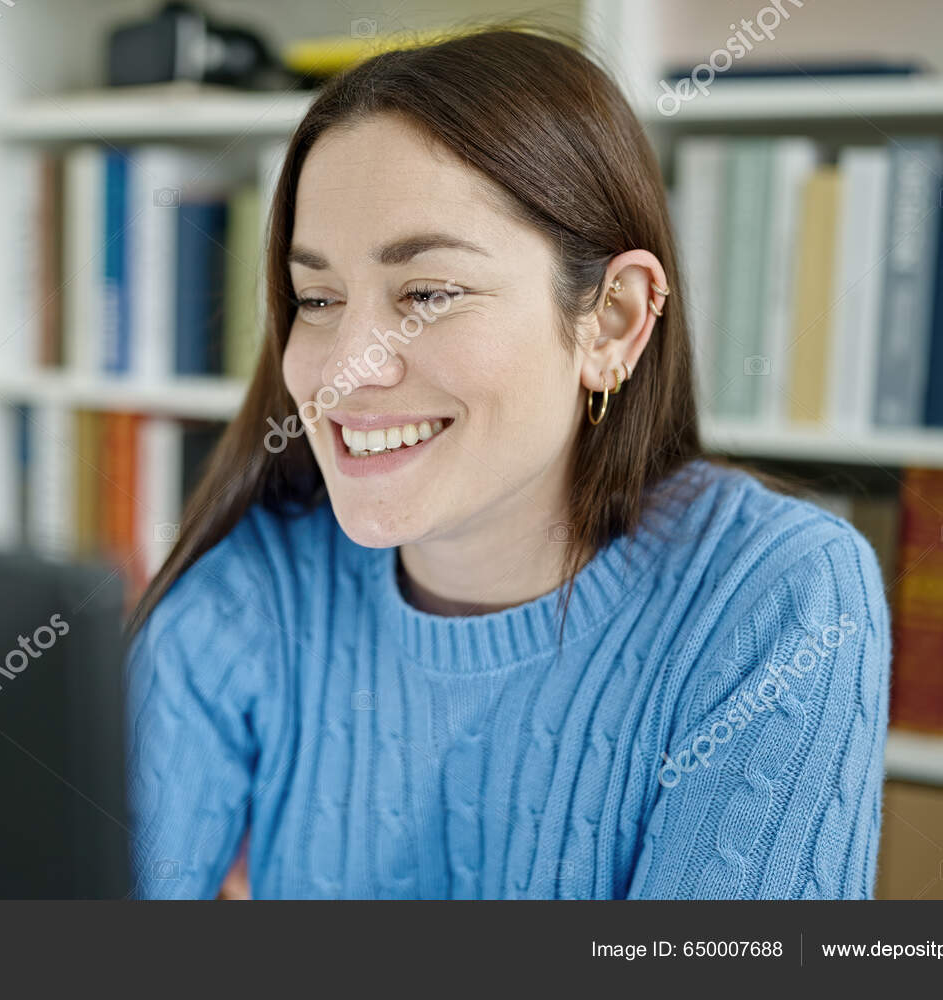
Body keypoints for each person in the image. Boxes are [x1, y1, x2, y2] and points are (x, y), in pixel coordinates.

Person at [124, 27, 890, 899]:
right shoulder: (254, 582)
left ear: (612, 321)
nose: (346, 367)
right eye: (318, 298)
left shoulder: (777, 596)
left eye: (429, 294)